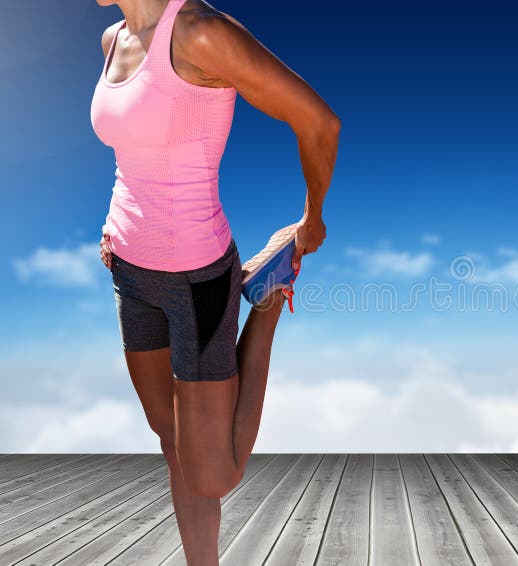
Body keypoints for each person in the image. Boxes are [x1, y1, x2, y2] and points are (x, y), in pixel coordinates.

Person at [89, 0, 340, 563]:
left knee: (214, 475)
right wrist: (112, 227)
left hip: (196, 278)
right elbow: (134, 150)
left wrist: (311, 218)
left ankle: (267, 300)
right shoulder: (112, 40)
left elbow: (319, 121)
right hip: (129, 270)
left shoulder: (201, 34)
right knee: (170, 440)